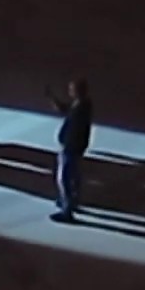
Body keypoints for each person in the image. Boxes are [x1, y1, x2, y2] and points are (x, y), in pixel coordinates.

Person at [47, 78, 93, 222]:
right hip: (74, 147)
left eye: (72, 89)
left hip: (71, 147)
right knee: (73, 175)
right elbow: (64, 109)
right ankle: (72, 201)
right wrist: (52, 98)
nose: (70, 91)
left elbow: (76, 128)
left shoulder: (81, 108)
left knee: (64, 178)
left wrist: (67, 144)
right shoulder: (81, 104)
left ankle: (67, 209)